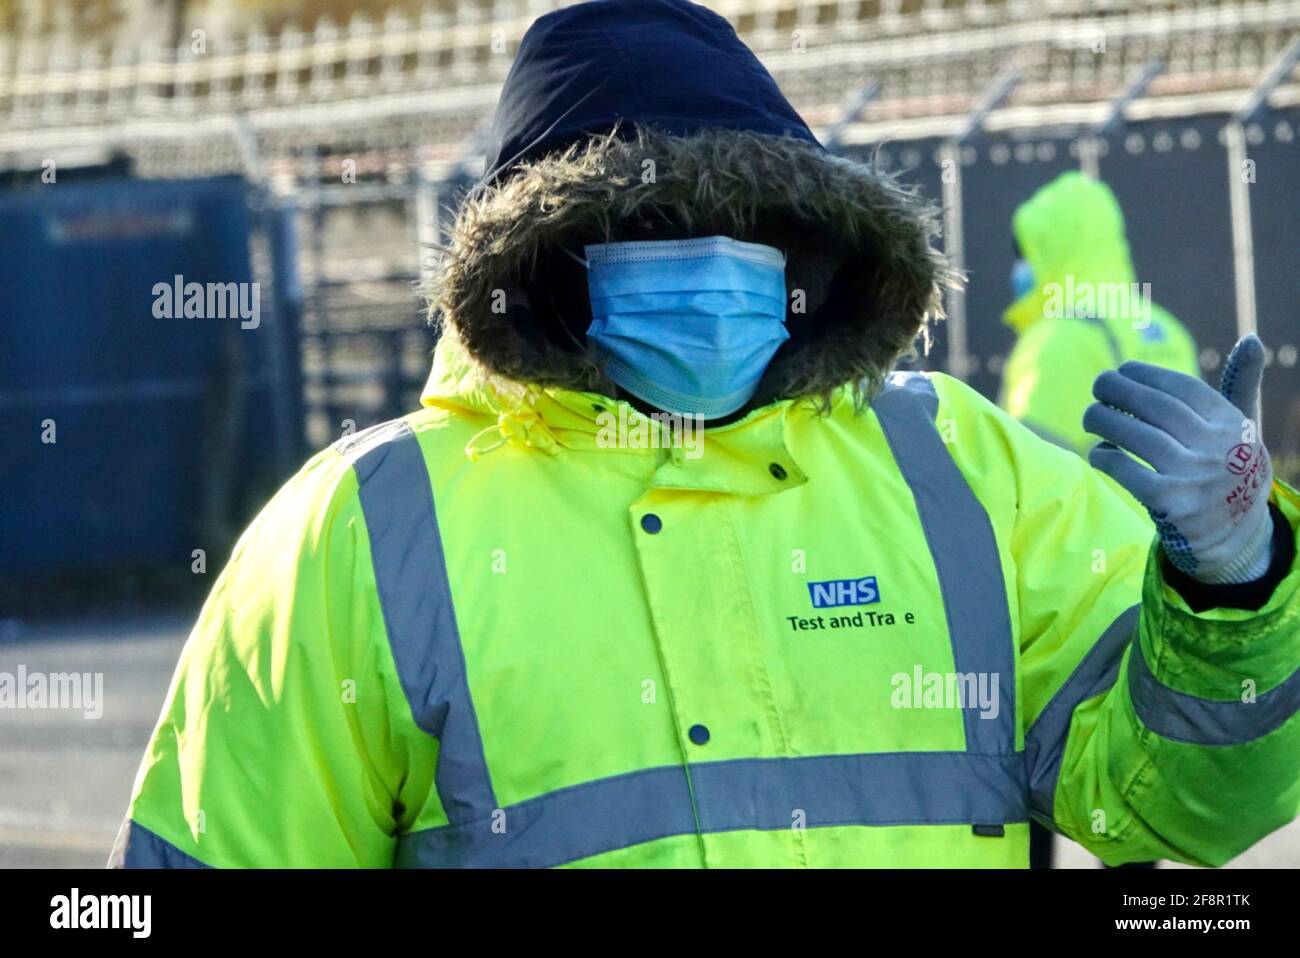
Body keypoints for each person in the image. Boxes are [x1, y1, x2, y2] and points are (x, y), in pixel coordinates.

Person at [111, 0, 1299, 869]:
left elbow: (1177, 807)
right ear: (547, 262)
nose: (716, 262)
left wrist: (1234, 587)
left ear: (815, 241)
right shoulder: (366, 528)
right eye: (654, 220)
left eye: (753, 221)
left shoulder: (959, 465)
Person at [998, 171, 1204, 867]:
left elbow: (1017, 480)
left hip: (1068, 591)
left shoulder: (1056, 338)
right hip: (1158, 575)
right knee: (1133, 775)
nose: (1021, 266)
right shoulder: (1159, 325)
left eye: (1030, 248)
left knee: (1034, 775)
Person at [1000, 171, 1201, 457]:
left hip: (1093, 503)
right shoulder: (1168, 329)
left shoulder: (1054, 339)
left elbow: (1025, 471)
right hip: (1170, 503)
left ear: (1053, 250)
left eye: (1024, 252)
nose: (1020, 267)